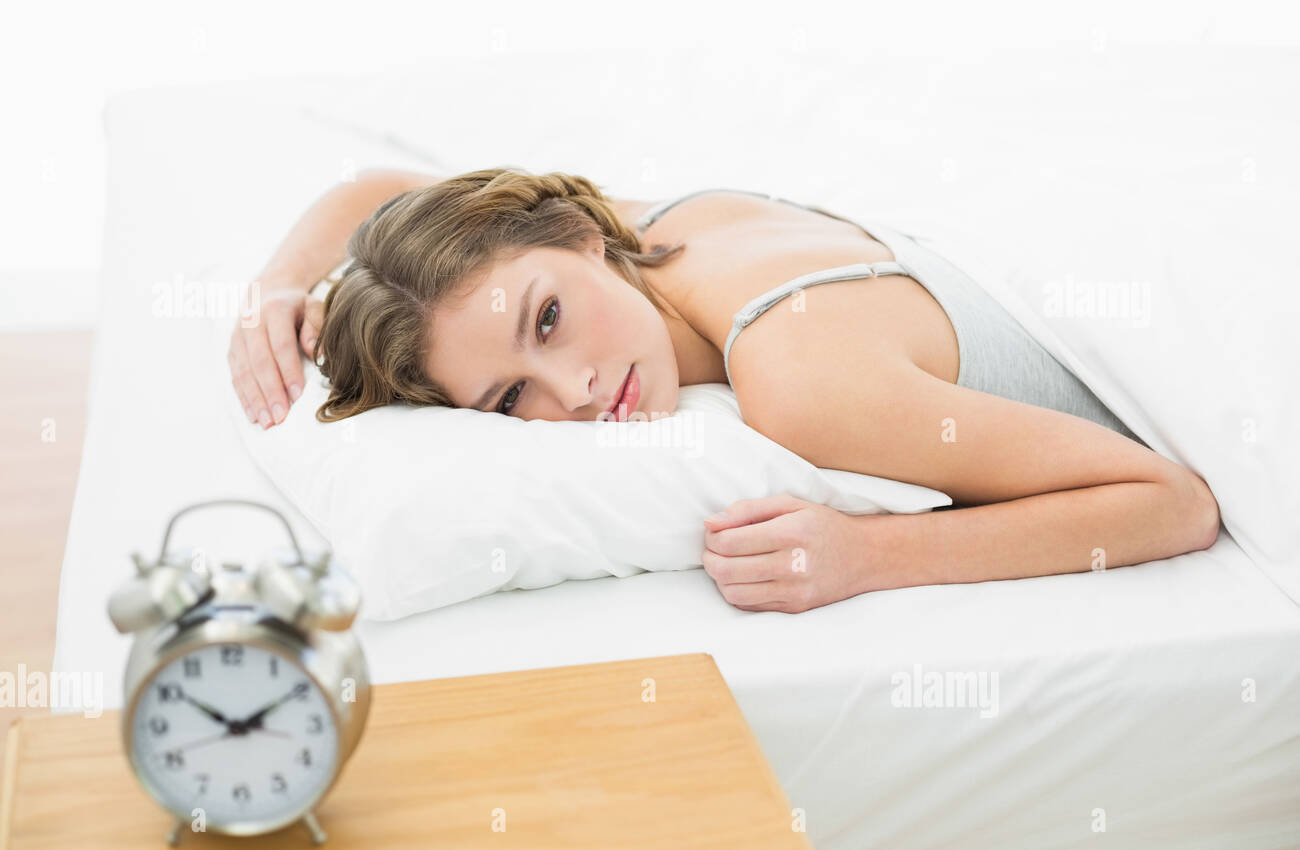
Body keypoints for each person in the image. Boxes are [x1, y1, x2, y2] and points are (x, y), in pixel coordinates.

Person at [228, 167, 1220, 613]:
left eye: (545, 320)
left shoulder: (799, 384)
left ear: (575, 241)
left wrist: (871, 554)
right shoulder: (622, 229)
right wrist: (277, 284)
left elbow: (1171, 502)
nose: (571, 391)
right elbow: (373, 194)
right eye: (506, 400)